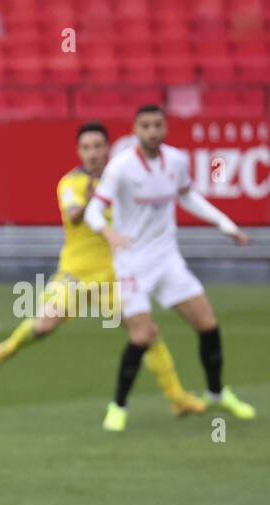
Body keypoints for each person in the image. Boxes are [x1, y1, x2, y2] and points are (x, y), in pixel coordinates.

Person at [0, 121, 206, 417]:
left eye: (98, 147)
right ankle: (9, 347)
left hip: (116, 276)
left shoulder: (125, 184)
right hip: (76, 274)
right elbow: (74, 217)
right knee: (44, 325)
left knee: (147, 333)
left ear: (108, 149)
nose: (92, 153)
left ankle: (177, 397)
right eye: (86, 148)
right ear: (79, 151)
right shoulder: (71, 184)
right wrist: (92, 198)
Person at [85, 104, 256, 431]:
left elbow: (189, 197)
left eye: (158, 125)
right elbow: (95, 210)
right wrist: (109, 234)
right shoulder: (121, 167)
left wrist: (226, 225)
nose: (152, 132)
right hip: (132, 264)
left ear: (165, 128)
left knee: (207, 323)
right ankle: (118, 406)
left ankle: (217, 394)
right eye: (146, 126)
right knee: (142, 335)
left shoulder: (176, 161)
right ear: (135, 128)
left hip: (167, 260)